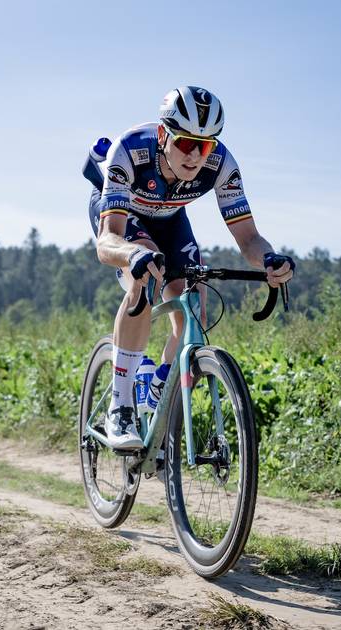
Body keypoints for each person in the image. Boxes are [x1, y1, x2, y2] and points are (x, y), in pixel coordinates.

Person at [84, 86, 295, 450]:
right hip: (122, 216)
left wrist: (270, 260)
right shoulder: (130, 150)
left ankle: (160, 388)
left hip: (168, 217)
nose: (196, 154)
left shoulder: (221, 164)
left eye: (206, 144)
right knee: (147, 273)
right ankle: (120, 406)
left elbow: (249, 239)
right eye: (185, 144)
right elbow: (107, 242)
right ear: (164, 135)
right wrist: (132, 256)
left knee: (194, 305)